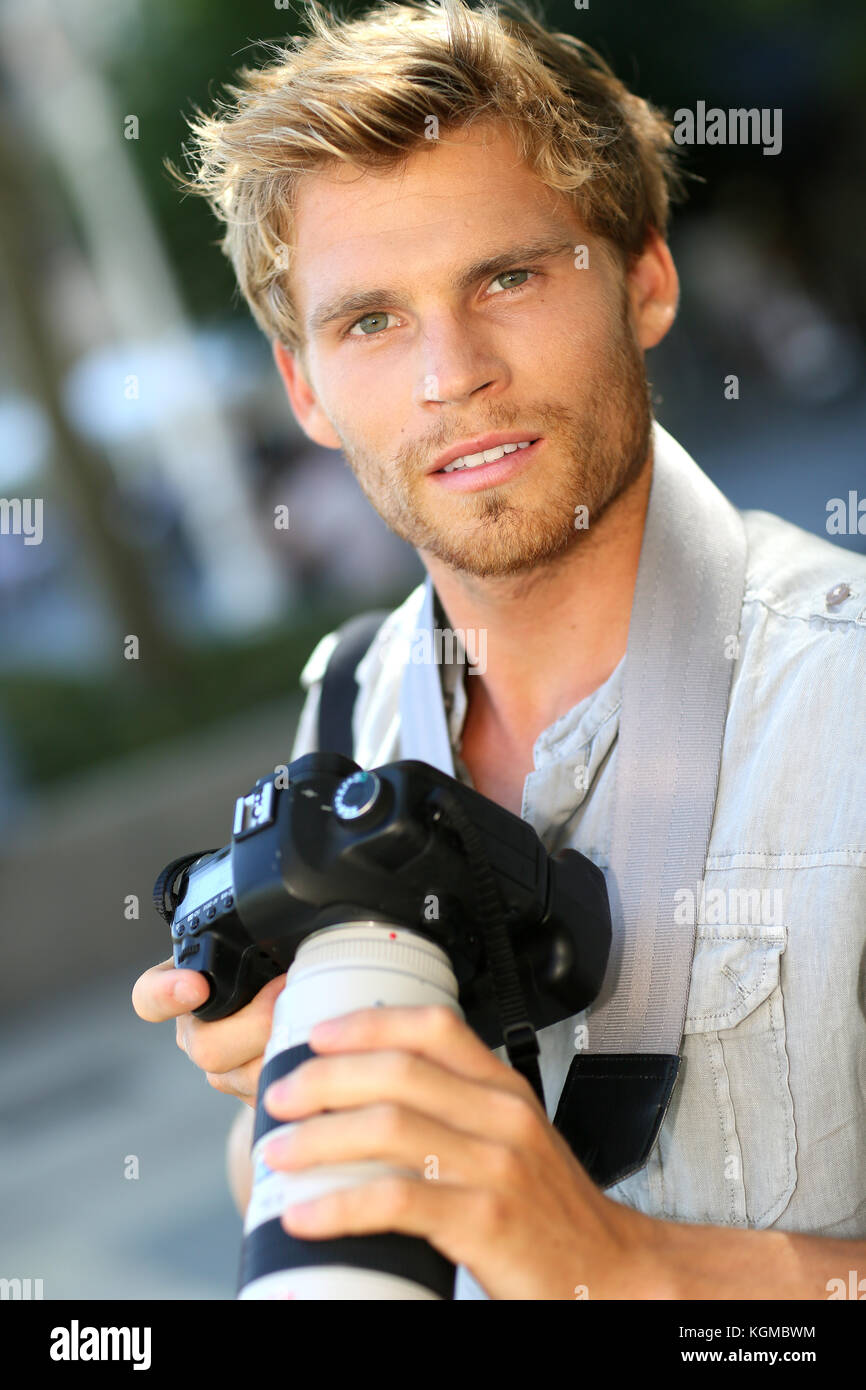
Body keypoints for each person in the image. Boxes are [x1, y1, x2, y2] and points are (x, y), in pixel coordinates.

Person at [133, 0, 866, 1299]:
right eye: (368, 320)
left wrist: (629, 1264)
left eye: (508, 276)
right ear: (303, 385)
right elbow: (294, 1183)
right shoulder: (349, 703)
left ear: (643, 277)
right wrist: (282, 1088)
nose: (449, 372)